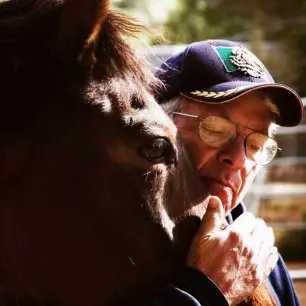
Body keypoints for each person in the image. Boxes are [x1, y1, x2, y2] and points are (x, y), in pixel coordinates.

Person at [143, 39, 304, 305]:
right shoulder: (111, 239)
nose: (240, 160)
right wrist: (206, 291)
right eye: (216, 130)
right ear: (156, 131)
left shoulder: (257, 252)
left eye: (256, 145)